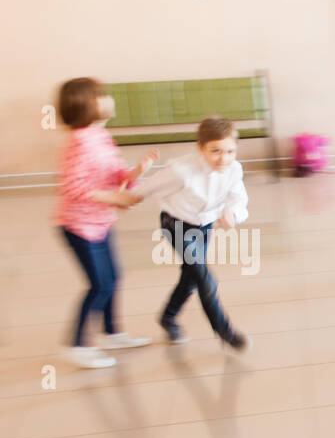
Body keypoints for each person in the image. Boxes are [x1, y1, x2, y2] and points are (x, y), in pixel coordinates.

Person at [53, 77, 156, 369]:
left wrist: (135, 171)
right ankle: (76, 345)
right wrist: (114, 199)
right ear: (86, 104)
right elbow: (73, 188)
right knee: (99, 284)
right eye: (101, 95)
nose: (109, 99)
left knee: (114, 277)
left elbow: (112, 173)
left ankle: (112, 333)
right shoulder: (79, 141)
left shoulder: (99, 135)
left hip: (99, 222)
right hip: (78, 226)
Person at [133, 116, 251, 349]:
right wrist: (122, 191)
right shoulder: (180, 170)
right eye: (215, 151)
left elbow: (240, 201)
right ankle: (224, 331)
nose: (223, 159)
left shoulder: (234, 170)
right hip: (175, 225)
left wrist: (233, 215)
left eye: (230, 151)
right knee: (205, 278)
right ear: (200, 148)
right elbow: (144, 189)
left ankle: (168, 316)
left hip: (204, 226)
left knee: (191, 279)